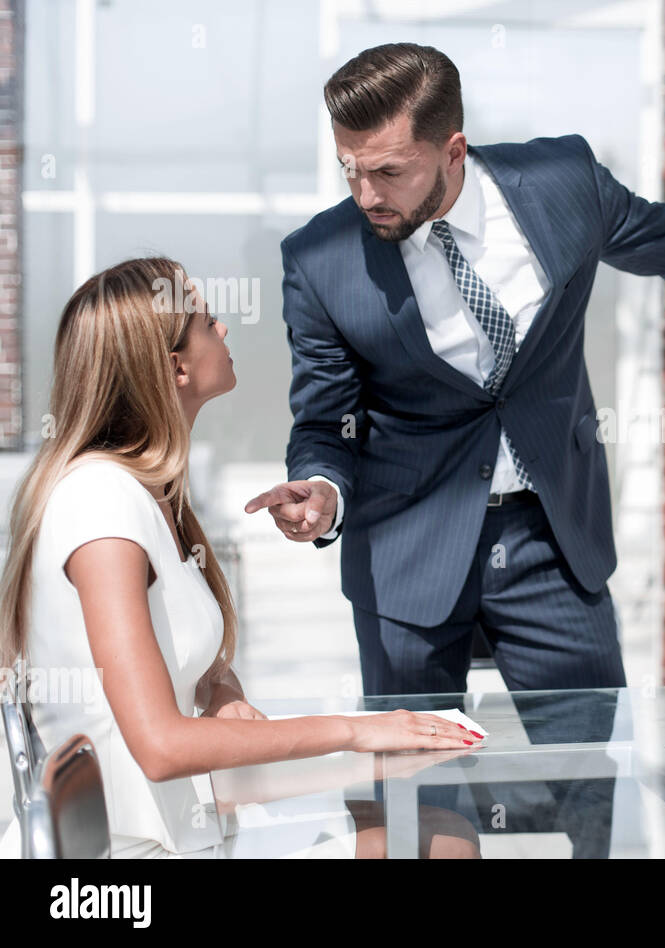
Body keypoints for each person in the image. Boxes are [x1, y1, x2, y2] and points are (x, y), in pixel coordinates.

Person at [243, 43, 665, 697]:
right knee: (416, 783)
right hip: (407, 549)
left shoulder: (561, 184)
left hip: (550, 540)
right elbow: (328, 418)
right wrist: (322, 486)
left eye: (388, 171)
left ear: (454, 151)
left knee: (581, 781)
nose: (365, 194)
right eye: (350, 169)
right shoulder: (320, 259)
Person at [0, 258, 481, 859]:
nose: (223, 329)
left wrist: (221, 690)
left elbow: (176, 658)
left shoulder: (146, 493)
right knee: (439, 842)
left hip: (196, 814)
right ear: (175, 366)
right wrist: (357, 731)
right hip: (135, 853)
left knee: (432, 824)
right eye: (206, 320)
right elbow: (160, 746)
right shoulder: (101, 504)